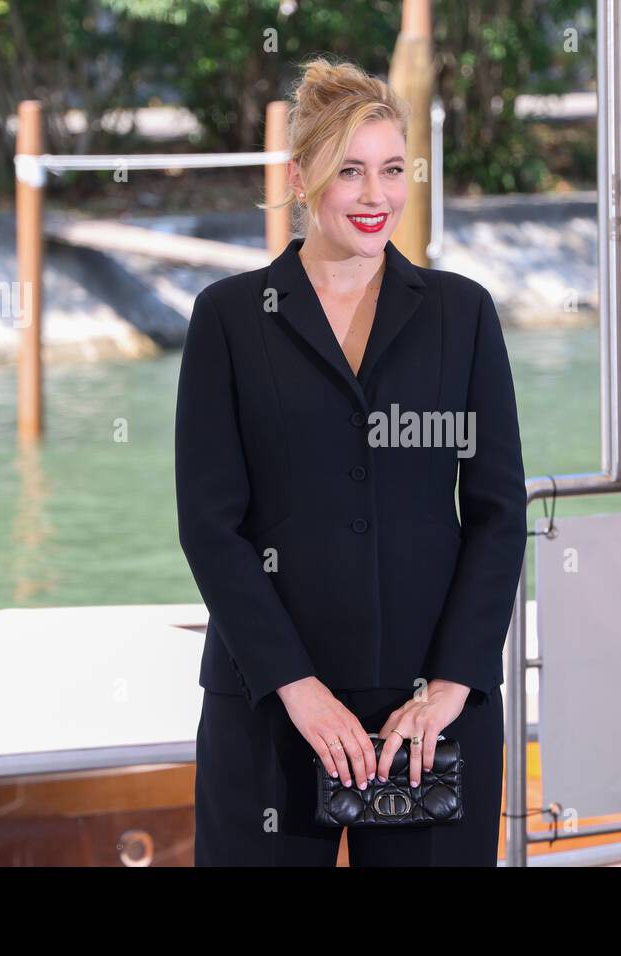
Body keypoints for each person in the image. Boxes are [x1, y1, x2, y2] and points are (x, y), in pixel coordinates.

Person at [175, 55, 526, 866]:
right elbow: (209, 525)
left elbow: (499, 513)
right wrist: (300, 691)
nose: (377, 197)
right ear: (302, 179)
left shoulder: (462, 314)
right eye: (351, 172)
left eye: (393, 170)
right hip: (268, 706)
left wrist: (449, 687)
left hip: (430, 717)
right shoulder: (229, 318)